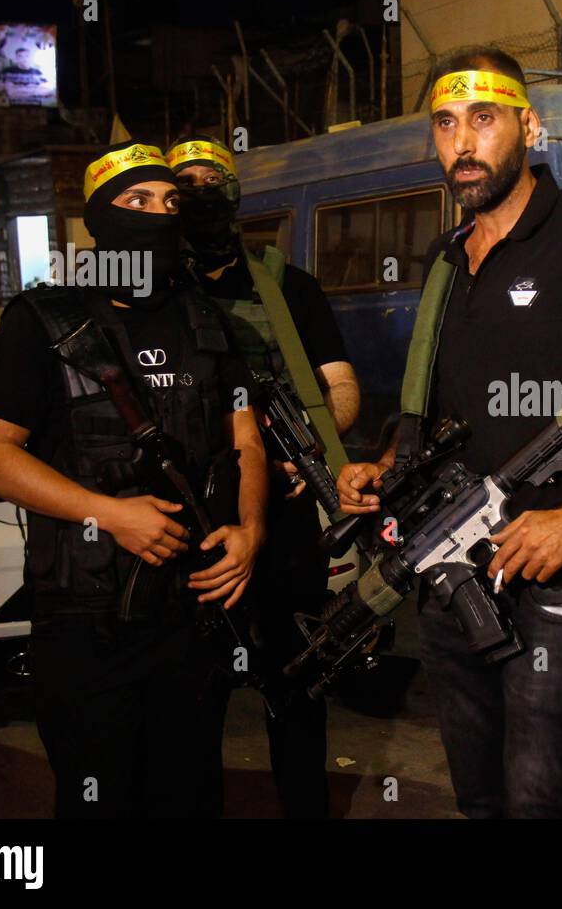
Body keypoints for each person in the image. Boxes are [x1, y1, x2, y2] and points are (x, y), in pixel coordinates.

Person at [336, 48, 562, 818]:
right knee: (479, 795)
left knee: (541, 796)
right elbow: (433, 411)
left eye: (483, 119)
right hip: (449, 560)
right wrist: (381, 466)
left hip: (559, 563)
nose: (463, 143)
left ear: (528, 127)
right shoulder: (443, 261)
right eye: (445, 124)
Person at [0, 141, 268, 818]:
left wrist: (252, 529)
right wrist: (108, 511)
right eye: (138, 201)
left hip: (191, 619)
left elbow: (244, 437)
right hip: (86, 624)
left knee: (190, 797)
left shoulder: (206, 322)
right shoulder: (43, 322)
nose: (160, 215)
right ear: (101, 219)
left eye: (170, 202)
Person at [166, 134, 358, 819]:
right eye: (181, 183)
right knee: (193, 710)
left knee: (298, 696)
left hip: (285, 533)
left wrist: (304, 452)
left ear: (236, 196)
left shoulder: (285, 287)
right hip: (196, 530)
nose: (196, 195)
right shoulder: (159, 293)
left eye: (209, 182)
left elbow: (339, 385)